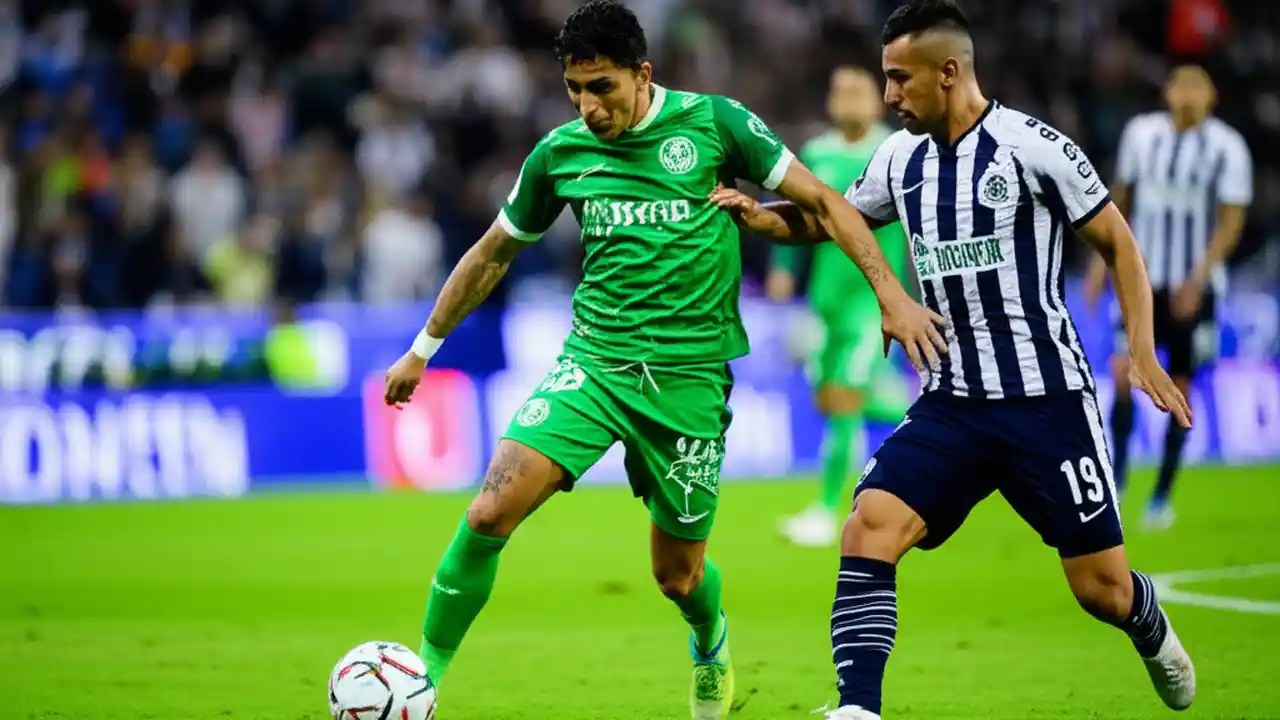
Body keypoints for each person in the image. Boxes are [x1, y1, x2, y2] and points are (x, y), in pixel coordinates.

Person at [381, 2, 945, 718]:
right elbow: (493, 252)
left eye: (603, 87)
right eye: (575, 90)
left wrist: (891, 295)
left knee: (677, 576)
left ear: (642, 75)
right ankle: (423, 682)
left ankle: (709, 637)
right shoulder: (559, 154)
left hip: (689, 379)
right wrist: (421, 349)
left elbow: (827, 204)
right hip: (595, 363)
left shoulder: (716, 124)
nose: (588, 107)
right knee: (490, 510)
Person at [709, 1, 1195, 717]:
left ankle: (1145, 615)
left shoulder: (1035, 149)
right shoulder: (899, 160)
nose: (889, 96)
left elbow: (1118, 244)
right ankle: (858, 707)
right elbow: (829, 220)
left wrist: (1144, 352)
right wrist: (765, 221)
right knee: (869, 524)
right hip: (953, 402)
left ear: (950, 70)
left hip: (1046, 401)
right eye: (884, 79)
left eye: (900, 80)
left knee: (1101, 590)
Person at [1084, 64, 1252, 530]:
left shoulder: (1227, 147)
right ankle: (1116, 480)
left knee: (1180, 388)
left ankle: (1161, 495)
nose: (1187, 95)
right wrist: (1101, 265)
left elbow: (1231, 221)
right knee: (1121, 373)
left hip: (1194, 290)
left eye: (1197, 85)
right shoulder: (1142, 134)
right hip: (1142, 280)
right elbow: (1119, 203)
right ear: (1167, 91)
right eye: (1180, 85)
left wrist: (1199, 277)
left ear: (1212, 94)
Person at [768, 66, 912, 548]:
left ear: (878, 101)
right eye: (839, 91)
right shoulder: (816, 152)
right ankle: (942, 422)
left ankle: (829, 511)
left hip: (868, 302)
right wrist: (784, 266)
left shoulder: (894, 150)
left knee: (847, 400)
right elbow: (796, 212)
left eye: (857, 91)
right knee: (831, 400)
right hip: (826, 300)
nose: (847, 99)